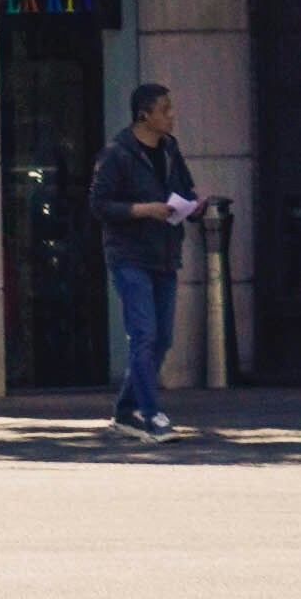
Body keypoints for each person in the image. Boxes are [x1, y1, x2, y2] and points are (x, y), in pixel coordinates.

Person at [92, 79, 204, 438]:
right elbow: (100, 205)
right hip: (129, 255)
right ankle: (150, 413)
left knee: (162, 338)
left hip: (165, 252)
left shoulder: (170, 149)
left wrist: (194, 206)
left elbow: (184, 190)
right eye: (165, 110)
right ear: (145, 114)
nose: (171, 116)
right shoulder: (117, 153)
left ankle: (126, 410)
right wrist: (144, 210)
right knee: (144, 334)